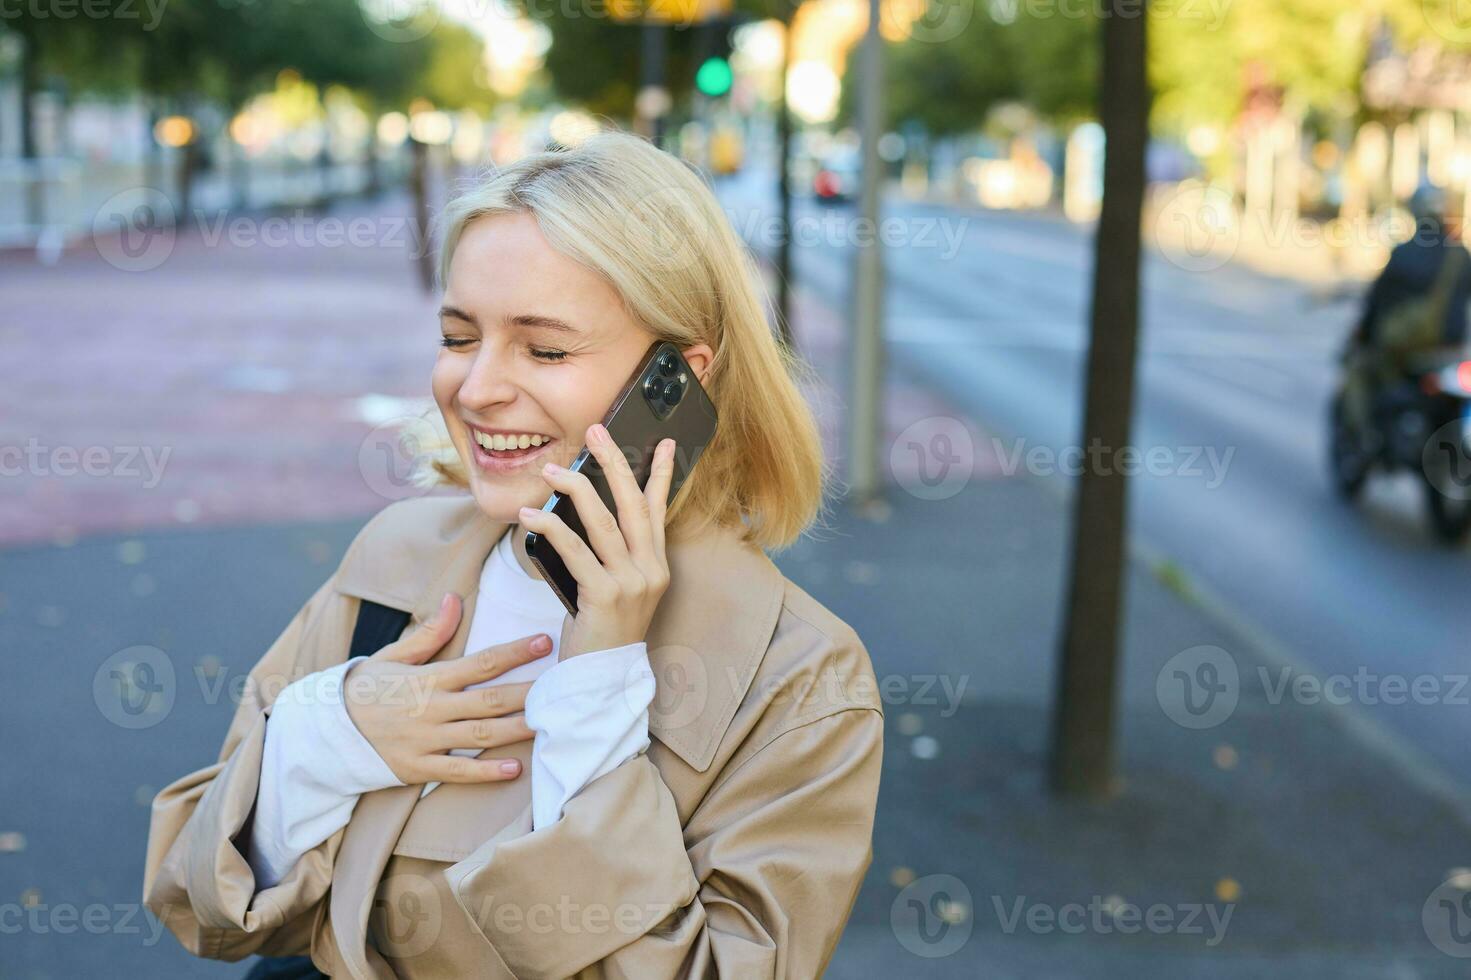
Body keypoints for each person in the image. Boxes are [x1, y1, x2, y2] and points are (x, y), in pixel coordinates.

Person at [142, 130, 885, 978]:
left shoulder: (797, 675)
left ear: (679, 378)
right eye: (460, 337)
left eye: (545, 349)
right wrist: (326, 737)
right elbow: (198, 905)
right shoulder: (396, 559)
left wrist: (598, 694)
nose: (477, 387)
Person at [1341, 183, 1471, 440]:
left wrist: (1365, 333)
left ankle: (1368, 437)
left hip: (1407, 350)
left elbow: (1376, 304)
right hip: (1452, 349)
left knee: (1363, 375)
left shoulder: (1402, 253)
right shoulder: (1460, 255)